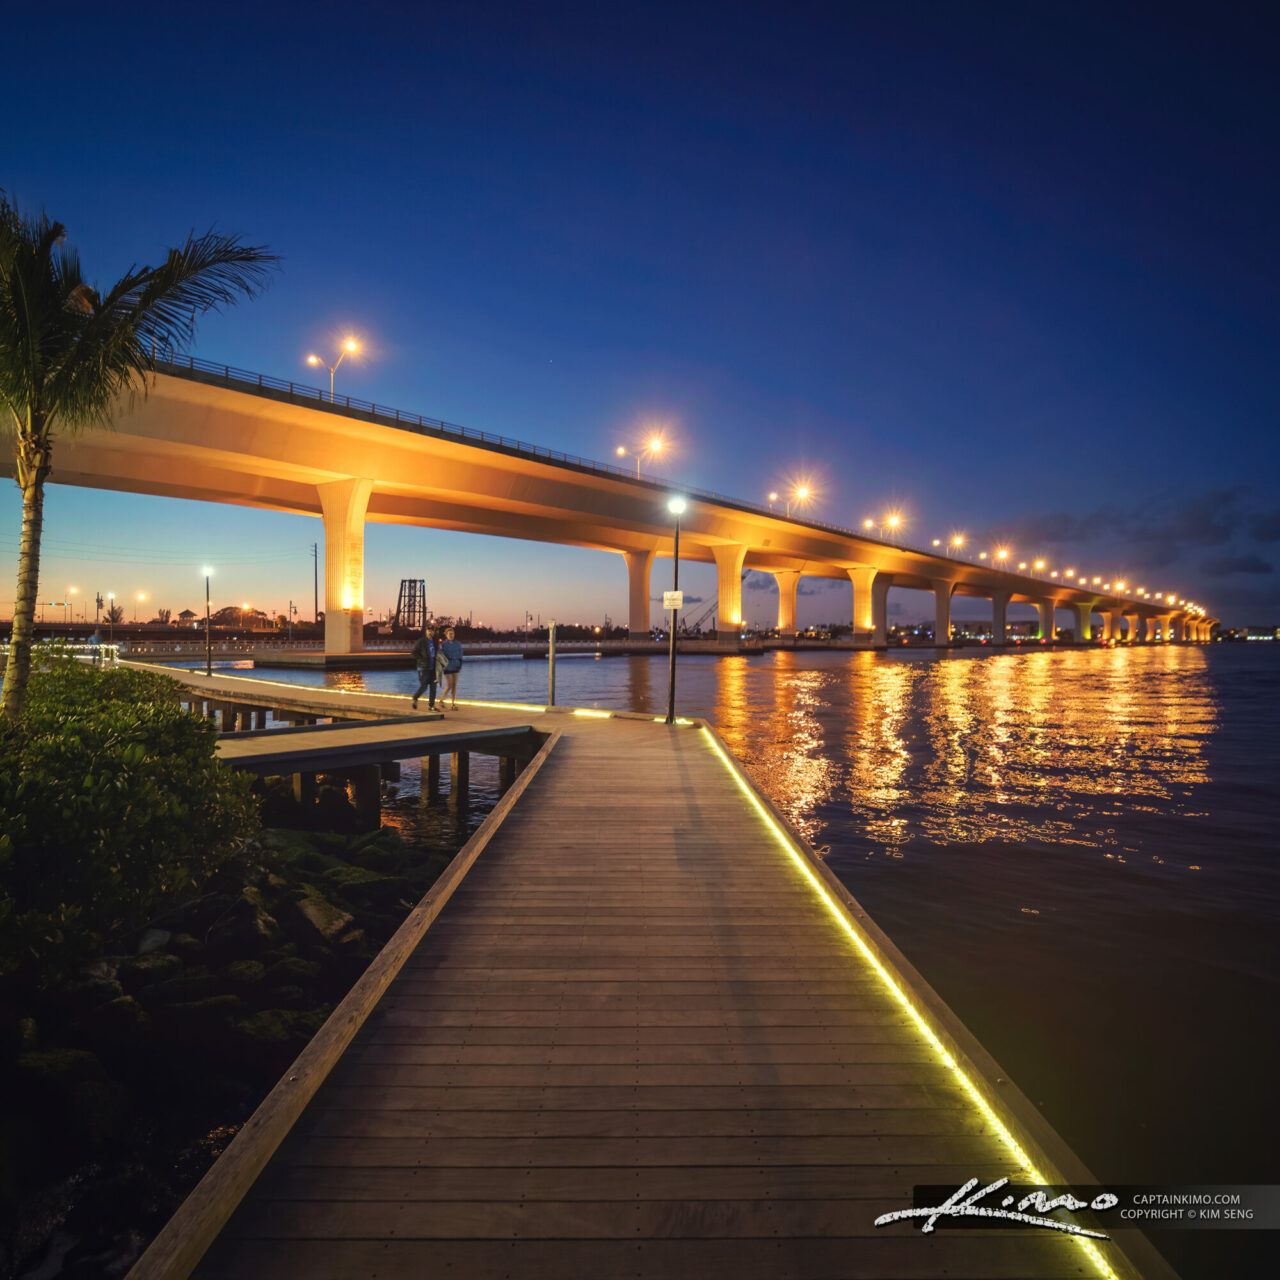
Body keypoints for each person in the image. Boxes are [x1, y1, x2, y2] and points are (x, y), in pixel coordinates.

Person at [410, 626, 440, 710]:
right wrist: (422, 659)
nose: (430, 632)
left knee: (433, 687)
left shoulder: (435, 642)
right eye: (429, 630)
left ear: (434, 632)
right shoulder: (421, 642)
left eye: (432, 630)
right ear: (426, 631)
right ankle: (415, 698)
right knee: (424, 686)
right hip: (423, 668)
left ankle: (431, 706)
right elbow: (414, 653)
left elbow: (437, 652)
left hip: (433, 668)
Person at [441, 626, 464, 709]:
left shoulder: (457, 643)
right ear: (446, 635)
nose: (451, 635)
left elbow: (461, 654)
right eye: (450, 634)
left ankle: (453, 704)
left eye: (453, 634)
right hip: (447, 667)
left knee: (454, 686)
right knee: (449, 685)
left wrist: (460, 664)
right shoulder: (444, 644)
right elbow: (442, 655)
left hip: (456, 666)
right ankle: (442, 700)